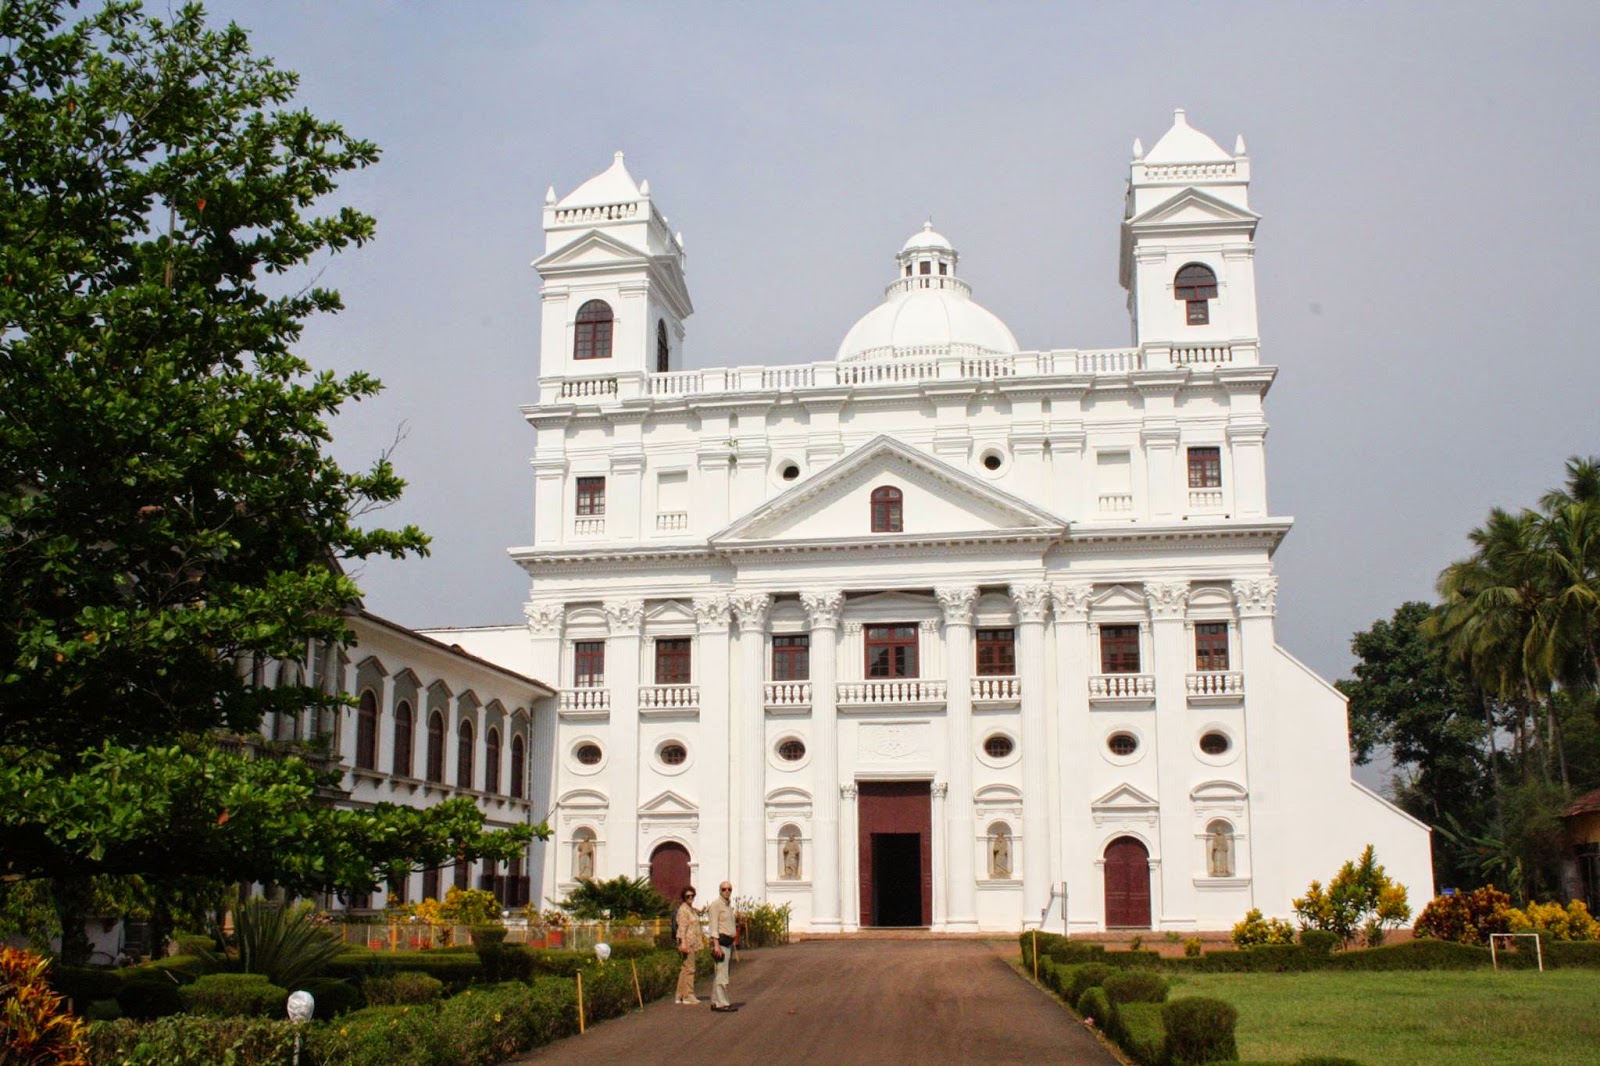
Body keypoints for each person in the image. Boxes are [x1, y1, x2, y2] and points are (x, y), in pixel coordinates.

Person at [706, 880, 738, 1012]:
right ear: (720, 890)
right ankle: (722, 1003)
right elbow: (714, 926)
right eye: (724, 889)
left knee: (721, 973)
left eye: (729, 889)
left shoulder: (728, 906)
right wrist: (716, 946)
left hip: (728, 943)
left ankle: (715, 1001)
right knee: (722, 975)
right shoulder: (716, 905)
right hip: (721, 943)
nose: (727, 891)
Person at [673, 885, 704, 1005]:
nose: (690, 897)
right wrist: (683, 943)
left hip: (692, 942)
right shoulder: (683, 910)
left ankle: (679, 995)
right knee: (690, 969)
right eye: (688, 896)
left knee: (685, 969)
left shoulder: (690, 909)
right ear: (683, 897)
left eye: (692, 895)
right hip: (688, 943)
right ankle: (688, 995)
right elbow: (682, 927)